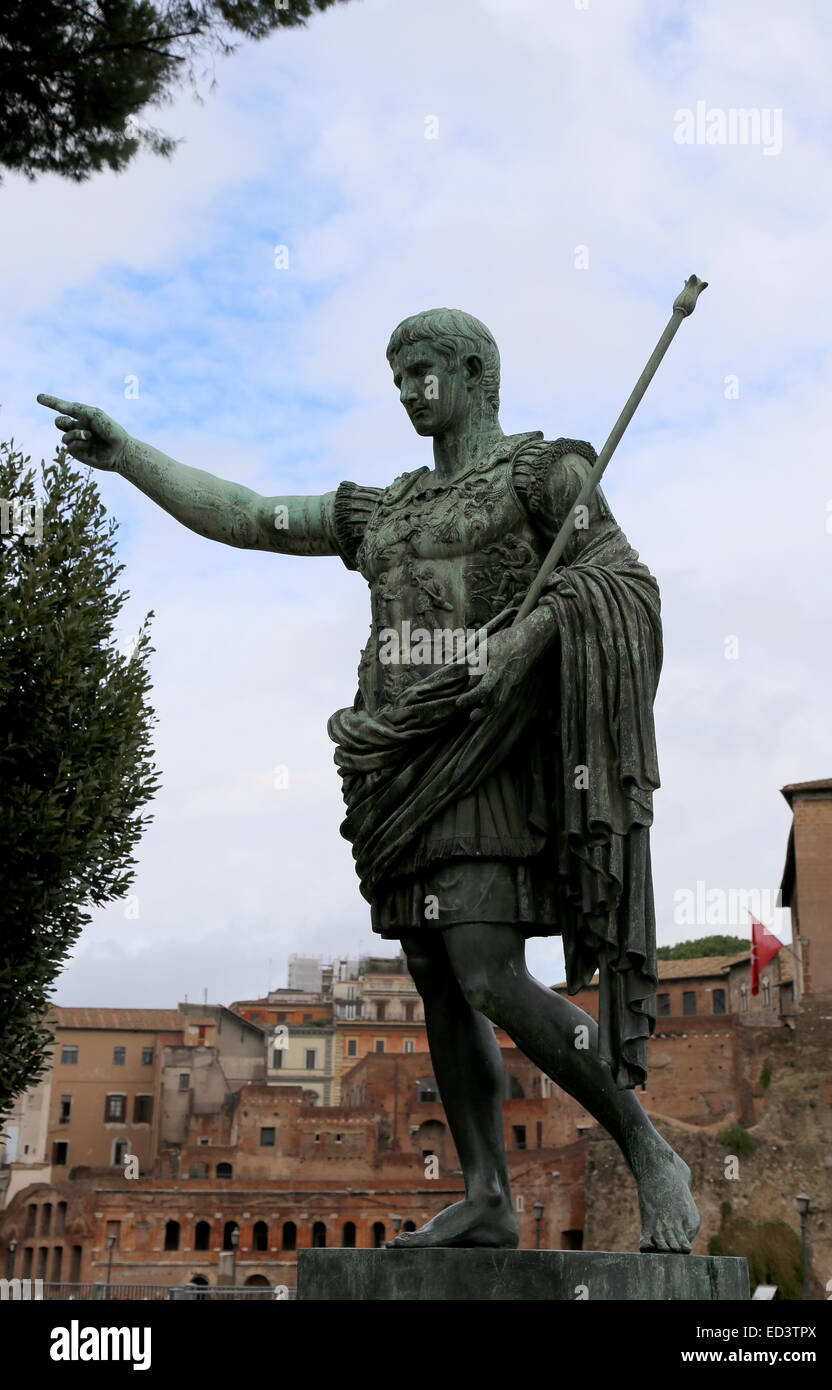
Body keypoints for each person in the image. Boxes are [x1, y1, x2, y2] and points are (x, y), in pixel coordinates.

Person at [38, 307, 700, 1252]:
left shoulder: (544, 474)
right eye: (396, 376)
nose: (406, 391)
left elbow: (623, 583)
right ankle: (487, 1196)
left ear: (475, 372)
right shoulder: (384, 510)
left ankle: (649, 1150)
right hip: (397, 763)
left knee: (487, 969)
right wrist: (132, 454)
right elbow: (252, 516)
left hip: (487, 752)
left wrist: (526, 637)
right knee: (437, 976)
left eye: (421, 371)